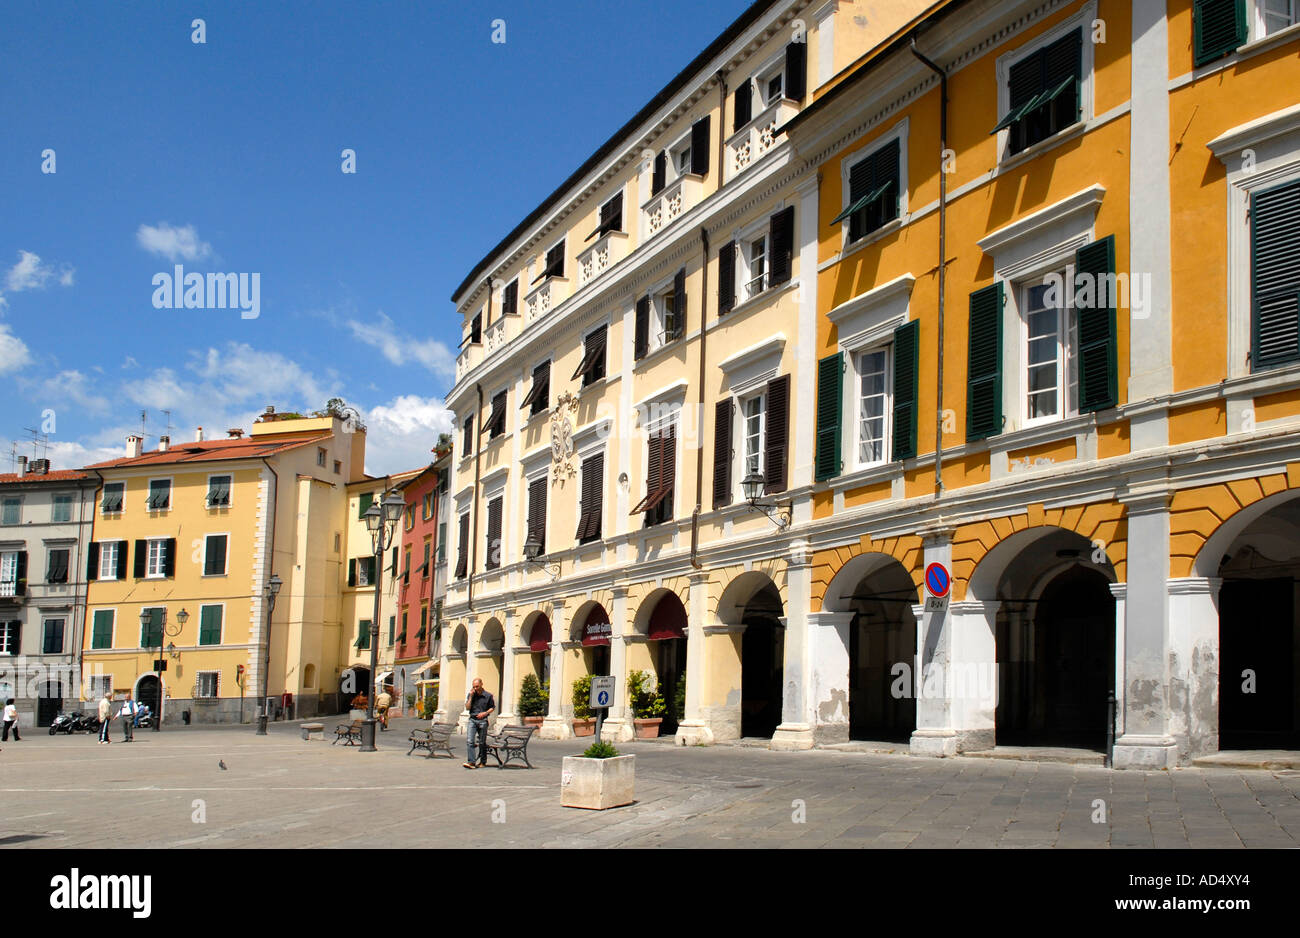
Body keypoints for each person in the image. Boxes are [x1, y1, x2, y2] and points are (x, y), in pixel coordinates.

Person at [463, 677, 495, 769]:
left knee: (482, 742)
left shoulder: (488, 695)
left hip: (483, 720)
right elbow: (468, 707)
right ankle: (471, 762)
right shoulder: (471, 695)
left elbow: (492, 707)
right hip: (472, 719)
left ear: (481, 684)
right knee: (470, 741)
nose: (475, 688)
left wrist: (485, 713)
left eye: (477, 686)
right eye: (474, 687)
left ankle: (483, 761)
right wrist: (471, 696)